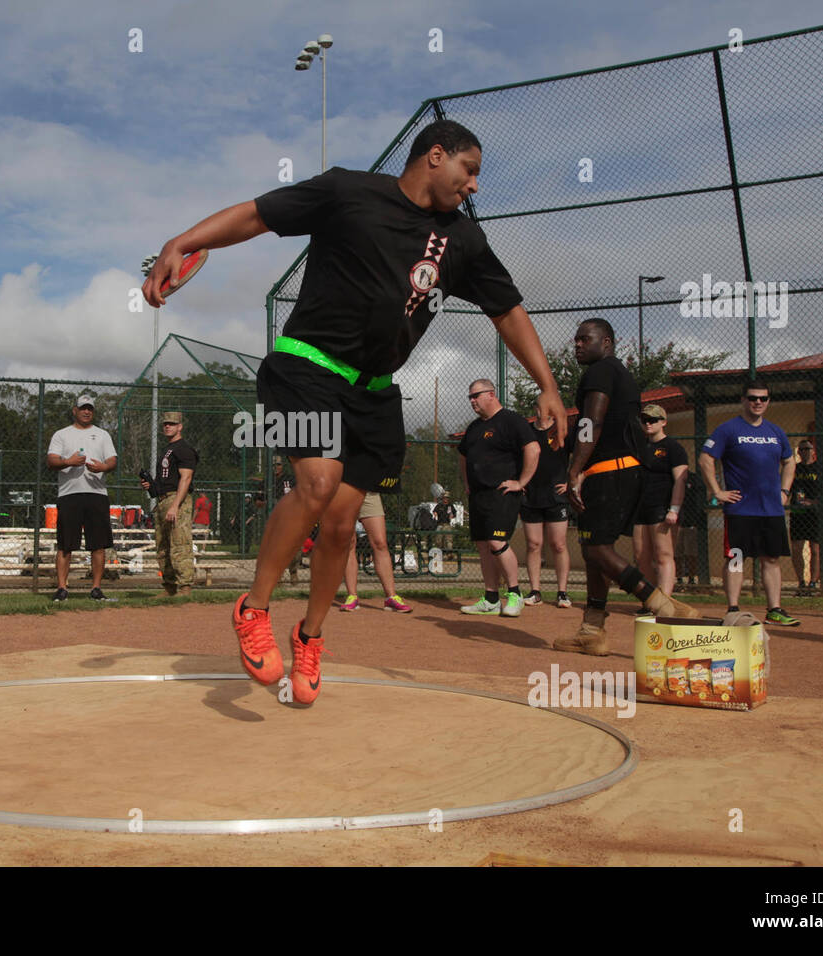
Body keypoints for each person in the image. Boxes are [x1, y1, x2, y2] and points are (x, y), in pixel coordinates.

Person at [143, 119, 564, 705]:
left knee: (342, 524)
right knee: (317, 483)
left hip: (374, 394)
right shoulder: (347, 192)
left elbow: (508, 310)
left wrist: (545, 383)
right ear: (435, 156)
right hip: (304, 366)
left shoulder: (463, 241)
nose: (474, 186)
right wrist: (182, 243)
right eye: (470, 171)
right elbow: (259, 214)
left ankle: (309, 638)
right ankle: (253, 607)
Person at [563, 318, 698, 654]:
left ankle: (661, 604)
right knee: (593, 551)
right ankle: (591, 632)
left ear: (606, 342)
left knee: (596, 550)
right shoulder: (618, 372)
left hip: (609, 472)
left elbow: (590, 422)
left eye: (585, 339)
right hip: (623, 472)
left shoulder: (600, 371)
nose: (577, 345)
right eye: (576, 340)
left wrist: (574, 471)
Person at [698, 379, 799, 626]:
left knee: (771, 559)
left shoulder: (776, 432)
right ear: (743, 400)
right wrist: (717, 491)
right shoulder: (728, 429)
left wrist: (784, 490)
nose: (757, 402)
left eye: (763, 398)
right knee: (736, 557)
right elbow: (705, 458)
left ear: (768, 401)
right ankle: (733, 609)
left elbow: (789, 461)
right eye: (753, 398)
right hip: (740, 507)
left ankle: (774, 609)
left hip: (771, 509)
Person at [457, 380, 538, 618]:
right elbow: (462, 455)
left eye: (476, 396)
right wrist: (467, 483)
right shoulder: (473, 428)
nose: (472, 401)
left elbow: (533, 449)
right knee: (483, 546)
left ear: (491, 394)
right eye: (469, 397)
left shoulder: (512, 421)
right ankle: (491, 598)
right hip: (479, 495)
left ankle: (515, 594)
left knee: (496, 543)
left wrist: (521, 482)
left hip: (502, 493)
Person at [46, 394, 117, 601]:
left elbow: (112, 461)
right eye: (83, 408)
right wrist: (69, 461)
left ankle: (96, 588)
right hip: (69, 494)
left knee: (98, 545)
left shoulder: (103, 435)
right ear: (74, 411)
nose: (87, 412)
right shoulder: (61, 435)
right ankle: (62, 588)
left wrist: (103, 467)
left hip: (97, 495)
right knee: (65, 544)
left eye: (90, 409)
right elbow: (51, 460)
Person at [632, 403, 690, 612]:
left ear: (663, 422)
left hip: (662, 508)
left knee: (663, 555)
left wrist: (673, 509)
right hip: (641, 508)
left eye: (653, 420)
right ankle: (650, 599)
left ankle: (664, 601)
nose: (648, 423)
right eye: (645, 420)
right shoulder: (639, 447)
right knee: (641, 556)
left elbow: (680, 481)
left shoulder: (674, 448)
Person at [141, 411, 198, 597]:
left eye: (172, 424)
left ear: (180, 426)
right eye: (166, 423)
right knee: (163, 545)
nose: (168, 426)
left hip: (177, 499)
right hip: (163, 499)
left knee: (179, 543)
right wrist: (152, 486)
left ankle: (185, 586)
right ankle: (169, 585)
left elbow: (186, 478)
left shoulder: (183, 449)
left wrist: (175, 505)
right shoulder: (168, 449)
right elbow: (164, 480)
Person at [519, 406, 572, 608]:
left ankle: (562, 593)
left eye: (548, 407)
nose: (543, 411)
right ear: (535, 409)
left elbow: (581, 456)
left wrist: (571, 482)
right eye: (539, 407)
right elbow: (515, 459)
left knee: (558, 544)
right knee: (533, 544)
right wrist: (519, 482)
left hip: (556, 496)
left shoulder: (563, 430)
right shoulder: (526, 431)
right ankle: (535, 591)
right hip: (530, 497)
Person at [338, 492, 413, 612]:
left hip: (368, 491)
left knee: (380, 543)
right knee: (349, 544)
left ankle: (391, 597)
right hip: (343, 490)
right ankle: (352, 596)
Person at [788, 439, 823, 592]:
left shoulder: (821, 469)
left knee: (815, 550)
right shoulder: (794, 469)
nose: (804, 452)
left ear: (813, 451)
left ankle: (813, 582)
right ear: (798, 452)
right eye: (801, 449)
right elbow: (785, 489)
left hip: (815, 513)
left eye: (807, 449)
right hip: (798, 513)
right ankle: (801, 582)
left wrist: (814, 502)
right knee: (796, 549)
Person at [273, 456, 305, 584]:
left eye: (278, 464)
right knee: (276, 547)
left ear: (282, 465)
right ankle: (277, 575)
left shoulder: (290, 479)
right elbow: (259, 500)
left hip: (291, 515)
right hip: (274, 518)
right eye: (274, 465)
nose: (276, 467)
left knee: (295, 545)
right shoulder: (267, 481)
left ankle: (293, 572)